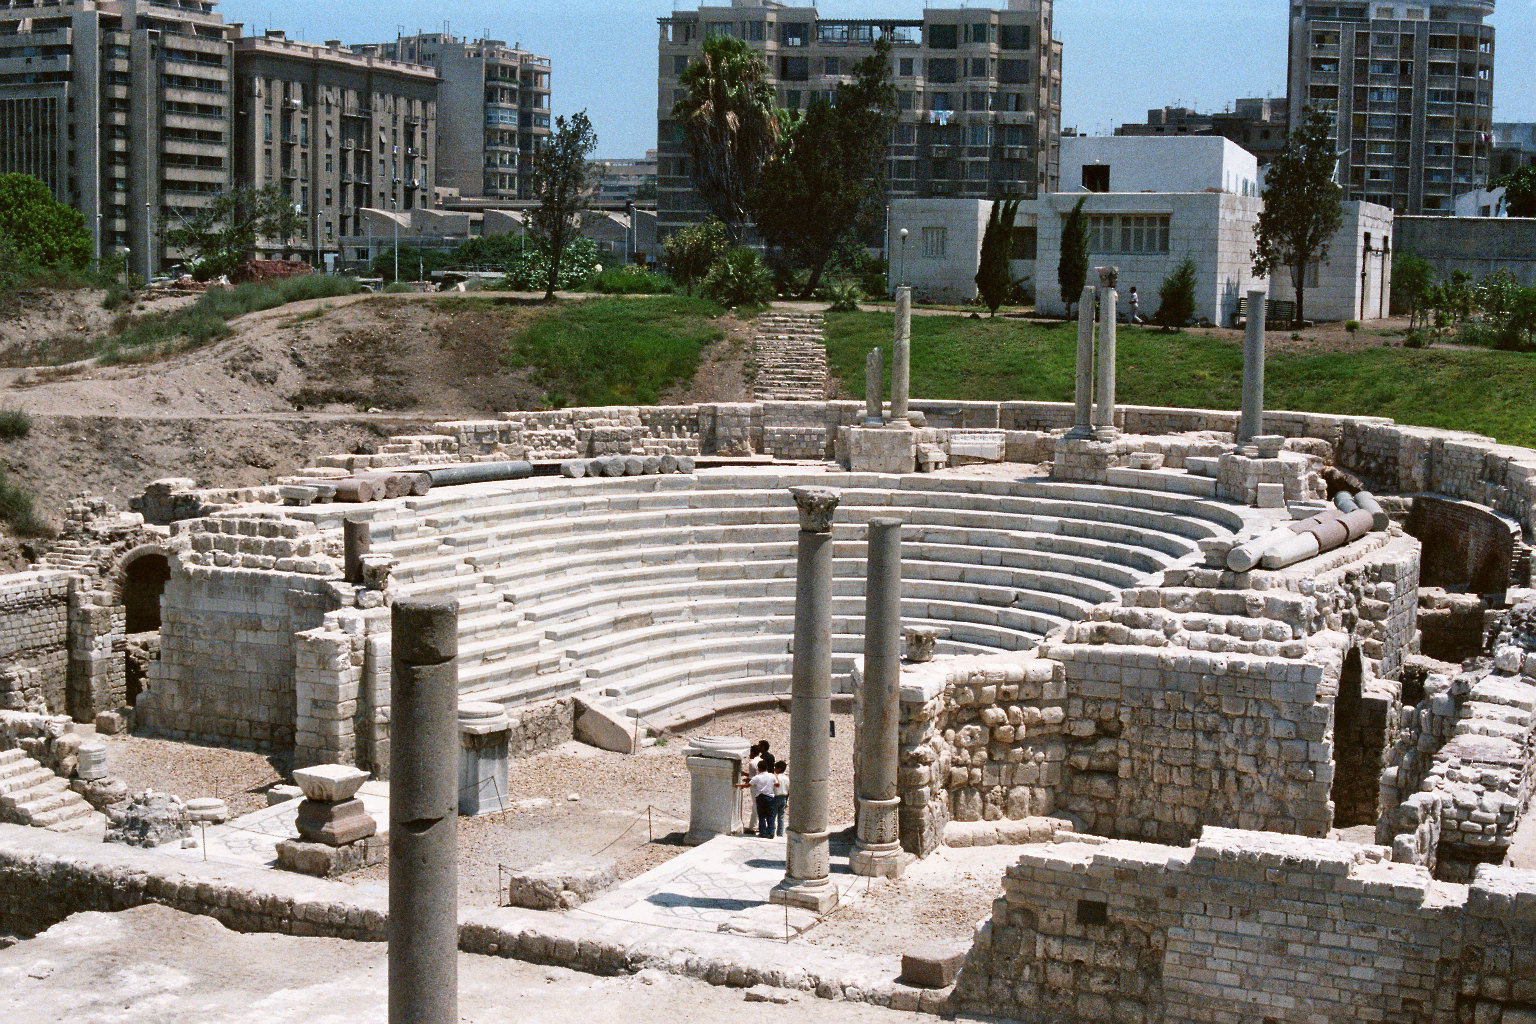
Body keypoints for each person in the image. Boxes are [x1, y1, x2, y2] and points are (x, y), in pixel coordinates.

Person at [749, 762, 776, 838]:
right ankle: (771, 832)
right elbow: (777, 784)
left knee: (762, 816)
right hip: (770, 797)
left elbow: (749, 784)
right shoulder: (772, 776)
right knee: (770, 815)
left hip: (760, 797)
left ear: (759, 768)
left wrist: (740, 785)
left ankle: (763, 832)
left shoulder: (757, 777)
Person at [770, 760, 789, 839]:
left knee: (773, 815)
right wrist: (787, 801)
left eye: (776, 768)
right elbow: (789, 791)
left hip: (776, 797)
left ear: (779, 769)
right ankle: (780, 833)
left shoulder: (776, 777)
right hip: (784, 797)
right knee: (781, 816)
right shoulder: (787, 778)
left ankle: (771, 832)